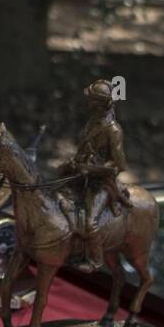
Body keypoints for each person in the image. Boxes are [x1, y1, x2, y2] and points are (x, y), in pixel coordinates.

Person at [58, 79, 131, 269]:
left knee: (90, 222)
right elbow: (86, 150)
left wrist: (92, 170)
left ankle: (96, 260)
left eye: (91, 100)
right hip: (82, 176)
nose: (88, 103)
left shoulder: (113, 130)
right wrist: (74, 163)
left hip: (101, 183)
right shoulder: (93, 121)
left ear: (101, 104)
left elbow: (119, 165)